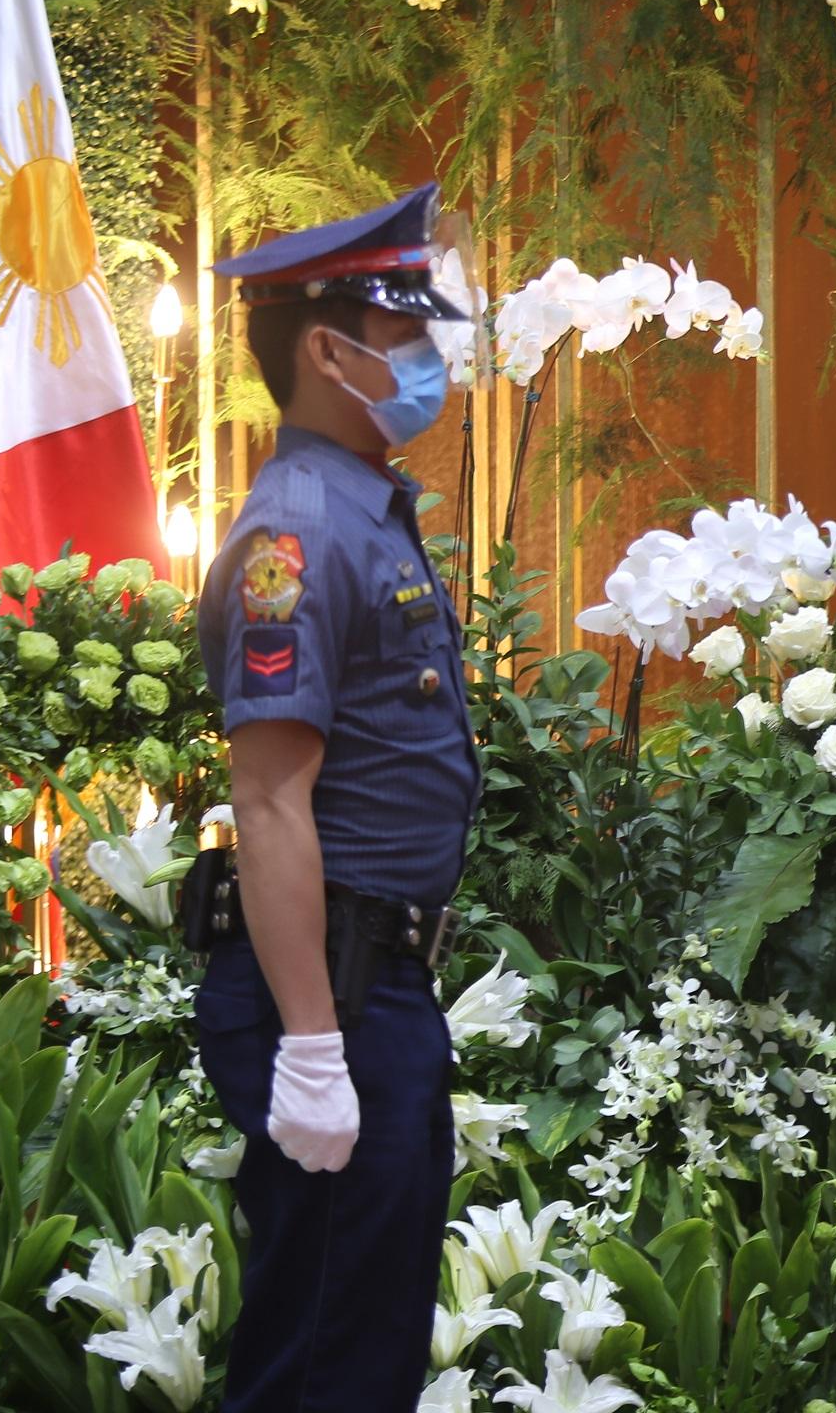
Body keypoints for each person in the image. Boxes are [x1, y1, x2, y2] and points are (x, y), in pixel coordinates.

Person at [193, 183, 480, 1412]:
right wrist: (312, 1046)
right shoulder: (298, 536)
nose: (431, 364)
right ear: (328, 349)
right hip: (335, 997)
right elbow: (269, 802)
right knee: (319, 1359)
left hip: (375, 988)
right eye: (408, 337)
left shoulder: (366, 513)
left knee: (363, 1344)